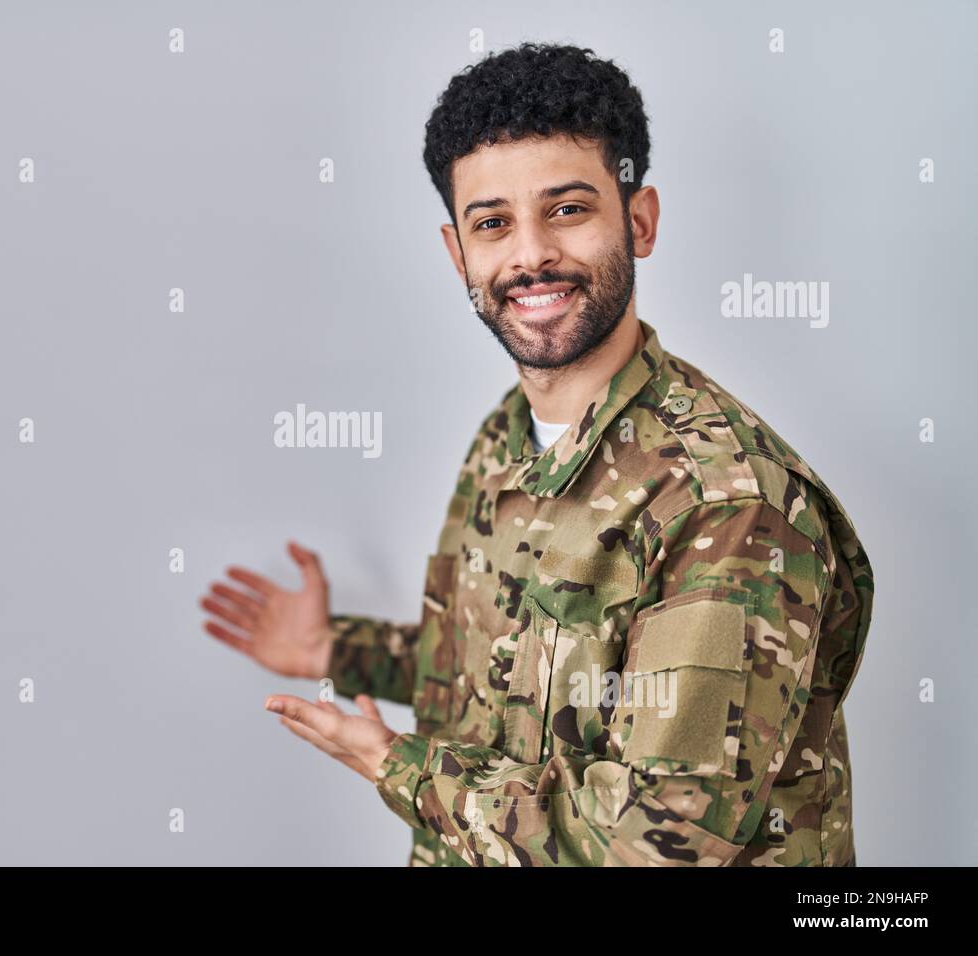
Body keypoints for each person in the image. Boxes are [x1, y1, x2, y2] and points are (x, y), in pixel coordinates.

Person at [200, 43, 873, 867]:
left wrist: (395, 765)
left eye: (567, 209)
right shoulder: (504, 438)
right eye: (493, 223)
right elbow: (508, 677)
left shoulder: (724, 501)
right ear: (459, 257)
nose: (529, 256)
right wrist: (336, 653)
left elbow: (659, 841)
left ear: (641, 220)